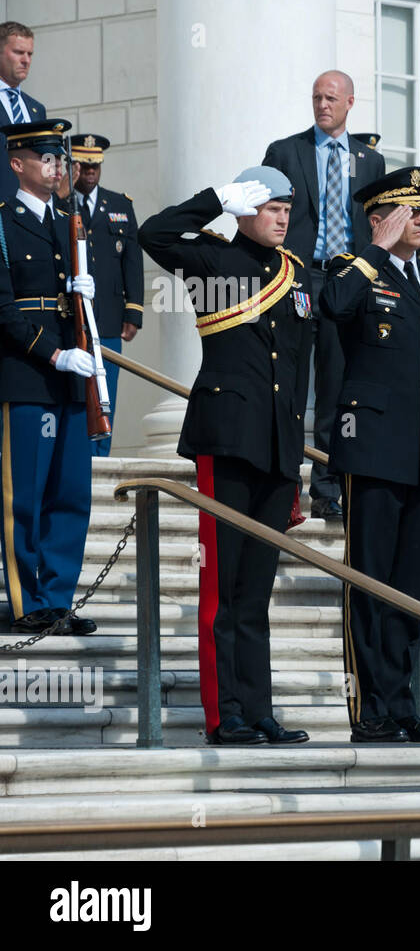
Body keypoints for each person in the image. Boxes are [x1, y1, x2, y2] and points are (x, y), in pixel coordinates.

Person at [139, 165, 313, 745]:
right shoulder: (212, 260)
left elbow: (295, 371)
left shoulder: (295, 274)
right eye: (269, 208)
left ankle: (259, 709)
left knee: (256, 590)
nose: (282, 218)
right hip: (226, 438)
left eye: (286, 208)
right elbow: (154, 234)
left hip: (276, 448)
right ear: (244, 211)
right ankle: (225, 715)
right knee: (222, 587)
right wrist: (214, 199)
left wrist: (297, 470)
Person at [318, 167, 420, 744]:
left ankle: (403, 704)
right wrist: (373, 250)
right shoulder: (353, 270)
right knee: (369, 582)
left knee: (407, 586)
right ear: (379, 221)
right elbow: (333, 307)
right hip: (373, 451)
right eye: (407, 211)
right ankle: (368, 708)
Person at [262, 69, 387, 521]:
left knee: (337, 385)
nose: (322, 105)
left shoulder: (369, 161)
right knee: (291, 384)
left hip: (345, 279)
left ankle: (328, 486)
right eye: (316, 97)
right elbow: (264, 212)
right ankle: (284, 484)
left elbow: (374, 224)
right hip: (296, 275)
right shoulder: (286, 151)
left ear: (350, 102)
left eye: (331, 98)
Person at [0, 119, 98, 637]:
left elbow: (76, 301)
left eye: (58, 158)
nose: (56, 166)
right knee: (26, 495)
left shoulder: (70, 220)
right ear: (18, 164)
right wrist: (55, 354)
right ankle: (26, 601)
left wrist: (88, 291)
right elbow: (4, 311)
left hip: (70, 377)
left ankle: (58, 596)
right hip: (28, 373)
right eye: (45, 158)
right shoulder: (1, 223)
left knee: (70, 491)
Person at [67, 133, 143, 457]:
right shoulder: (61, 203)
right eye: (84, 166)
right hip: (73, 318)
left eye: (95, 166)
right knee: (76, 393)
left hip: (110, 318)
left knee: (105, 390)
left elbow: (133, 260)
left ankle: (100, 459)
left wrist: (134, 312)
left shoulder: (120, 204)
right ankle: (78, 458)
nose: (90, 172)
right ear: (74, 166)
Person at [0, 21, 43, 201]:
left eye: (29, 54)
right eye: (18, 52)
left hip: (31, 214)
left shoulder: (37, 109)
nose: (26, 60)